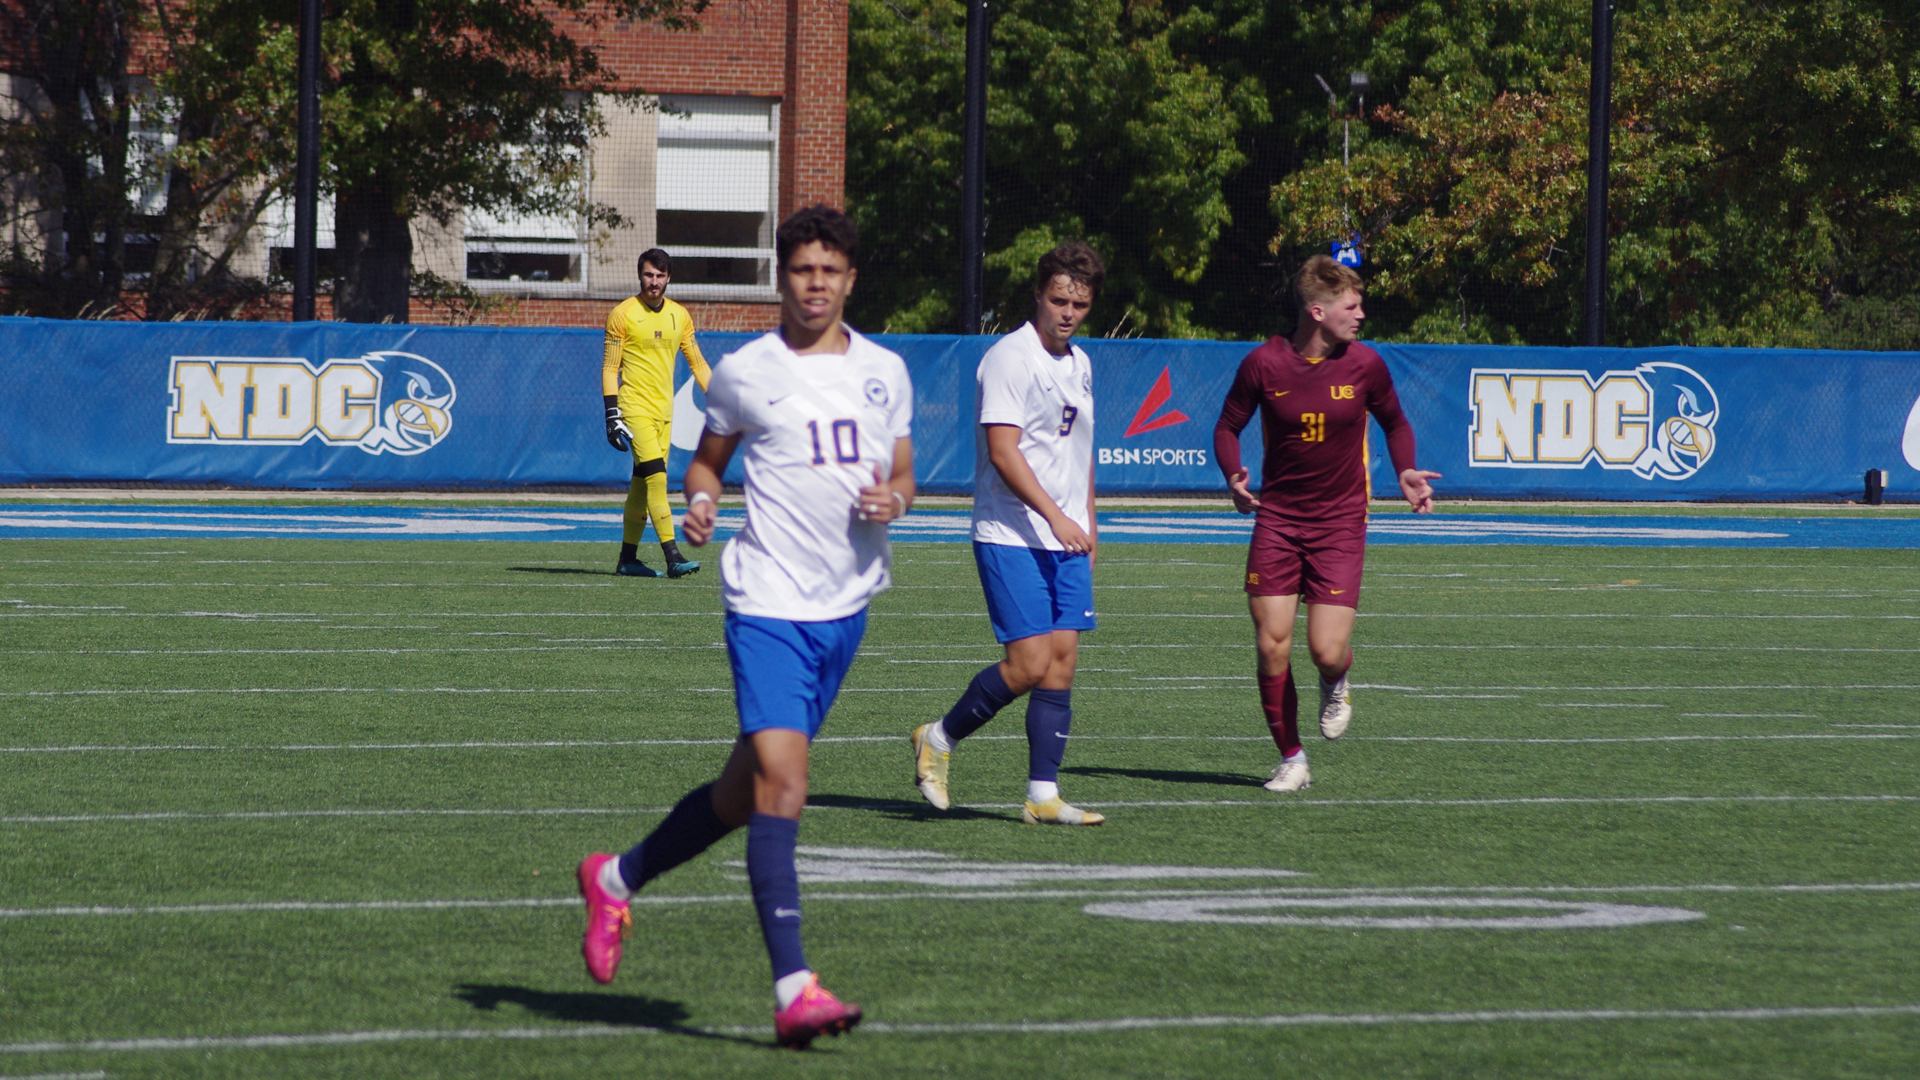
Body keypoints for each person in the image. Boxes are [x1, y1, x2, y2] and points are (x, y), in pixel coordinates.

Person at [576, 206, 914, 1048]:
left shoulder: (885, 372)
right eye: (801, 269)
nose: (815, 284)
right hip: (765, 602)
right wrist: (699, 503)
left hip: (846, 609)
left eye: (829, 270)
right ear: (781, 277)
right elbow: (707, 462)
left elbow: (904, 473)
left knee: (739, 795)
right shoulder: (746, 371)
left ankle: (616, 878)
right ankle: (794, 987)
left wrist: (896, 499)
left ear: (850, 279)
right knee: (784, 784)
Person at [1212, 254, 1439, 792]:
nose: (1361, 315)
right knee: (1272, 645)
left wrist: (1406, 469)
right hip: (1278, 521)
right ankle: (1292, 758)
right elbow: (1227, 426)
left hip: (1339, 523)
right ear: (1317, 311)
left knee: (1325, 651)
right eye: (1351, 306)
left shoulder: (1366, 365)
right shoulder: (1263, 364)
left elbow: (1395, 422)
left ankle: (1336, 679)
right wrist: (1232, 475)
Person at [910, 241, 1105, 826]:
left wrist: (1089, 523)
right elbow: (1003, 451)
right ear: (1038, 295)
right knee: (1028, 663)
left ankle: (1042, 794)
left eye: (1080, 304)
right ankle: (938, 738)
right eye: (1058, 300)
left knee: (1061, 663)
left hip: (1066, 537)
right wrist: (1056, 517)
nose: (1068, 313)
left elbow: (1080, 452)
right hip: (1011, 532)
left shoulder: (1081, 363)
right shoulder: (1010, 358)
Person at [603, 248, 712, 578]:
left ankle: (627, 559)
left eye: (660, 276)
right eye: (649, 275)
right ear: (640, 275)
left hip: (665, 413)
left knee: (641, 484)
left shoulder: (680, 315)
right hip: (634, 409)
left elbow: (698, 363)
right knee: (657, 480)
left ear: (668, 278)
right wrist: (612, 414)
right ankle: (672, 556)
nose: (654, 281)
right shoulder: (622, 314)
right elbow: (610, 368)